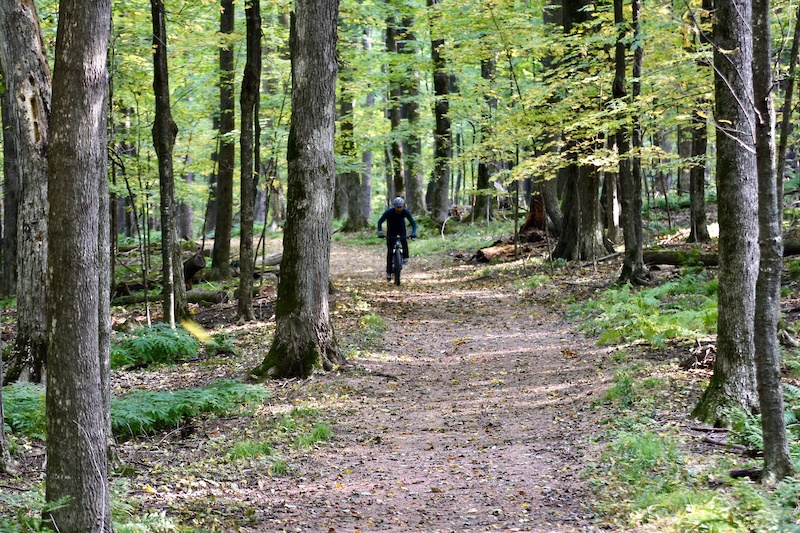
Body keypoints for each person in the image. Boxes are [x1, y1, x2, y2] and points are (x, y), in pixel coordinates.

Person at [377, 197, 417, 281]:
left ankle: (405, 256)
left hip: (401, 230)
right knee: (390, 252)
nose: (399, 209)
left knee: (404, 241)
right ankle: (388, 272)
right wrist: (380, 232)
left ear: (403, 206)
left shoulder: (405, 212)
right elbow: (380, 221)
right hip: (391, 231)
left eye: (400, 207)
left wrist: (413, 232)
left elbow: (413, 223)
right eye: (397, 207)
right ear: (394, 206)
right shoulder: (389, 212)